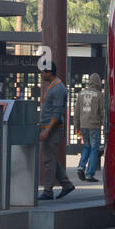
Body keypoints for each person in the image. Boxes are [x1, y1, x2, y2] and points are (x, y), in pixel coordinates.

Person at [37, 62, 74, 200]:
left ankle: (48, 191)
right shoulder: (53, 86)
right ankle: (66, 184)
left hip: (53, 129)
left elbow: (57, 112)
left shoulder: (58, 88)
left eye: (42, 72)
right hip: (49, 127)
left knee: (48, 159)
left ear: (49, 72)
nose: (41, 75)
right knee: (50, 157)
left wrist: (47, 130)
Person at [76, 73, 104, 182]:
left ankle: (81, 166)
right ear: (97, 82)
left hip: (83, 125)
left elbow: (77, 112)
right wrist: (104, 124)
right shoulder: (99, 95)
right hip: (94, 125)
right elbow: (102, 112)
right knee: (94, 149)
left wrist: (77, 126)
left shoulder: (81, 94)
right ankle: (89, 174)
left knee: (86, 147)